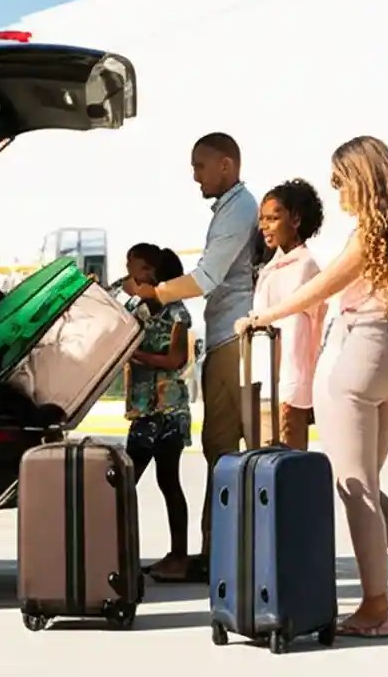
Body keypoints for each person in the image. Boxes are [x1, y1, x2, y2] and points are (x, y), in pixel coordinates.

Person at [236, 136, 388, 638]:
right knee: (370, 487)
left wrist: (262, 315)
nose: (339, 196)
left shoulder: (368, 235)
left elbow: (321, 288)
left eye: (341, 184)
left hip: (355, 358)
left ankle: (375, 606)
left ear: (361, 179)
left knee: (352, 489)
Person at [123, 132, 261, 580]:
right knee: (217, 450)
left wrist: (155, 293)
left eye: (200, 166)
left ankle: (224, 552)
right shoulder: (230, 208)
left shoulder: (240, 208)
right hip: (224, 337)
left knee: (231, 451)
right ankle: (212, 550)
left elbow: (205, 278)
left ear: (226, 165)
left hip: (234, 339)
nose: (195, 176)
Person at [121, 244, 193, 582]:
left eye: (133, 268)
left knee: (167, 480)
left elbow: (176, 360)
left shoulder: (176, 312)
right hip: (143, 407)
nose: (128, 275)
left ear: (150, 273)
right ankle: (120, 551)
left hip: (166, 410)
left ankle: (179, 555)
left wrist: (137, 357)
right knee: (125, 482)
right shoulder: (135, 310)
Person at [251, 178, 327, 449]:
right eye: (262, 219)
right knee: (263, 455)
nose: (265, 226)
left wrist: (297, 389)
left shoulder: (306, 267)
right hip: (263, 378)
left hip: (289, 383)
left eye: (273, 218)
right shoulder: (272, 267)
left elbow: (307, 331)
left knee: (288, 457)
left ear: (295, 220)